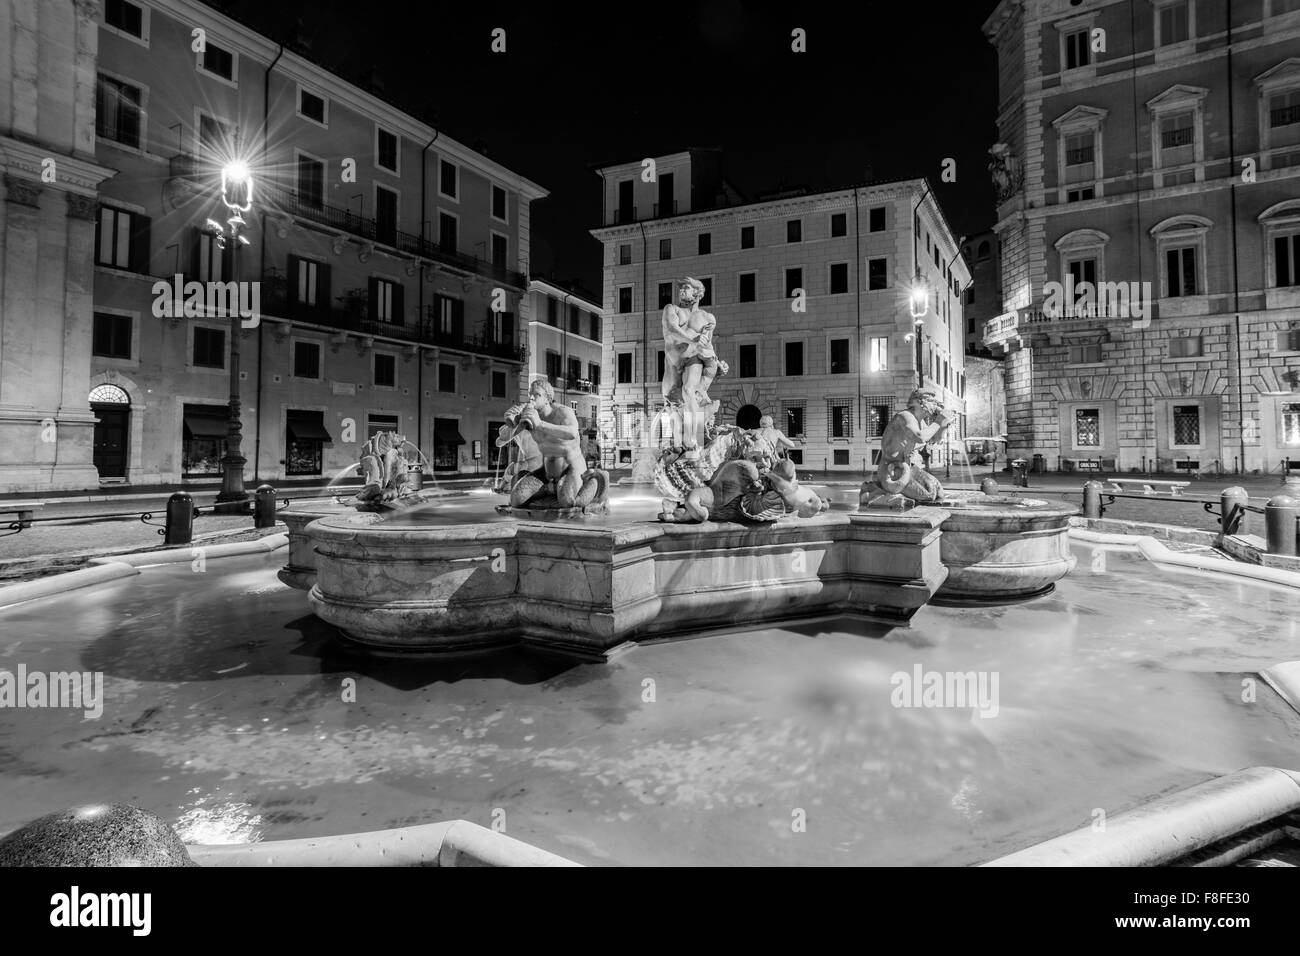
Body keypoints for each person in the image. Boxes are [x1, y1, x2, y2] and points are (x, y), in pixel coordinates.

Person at [504, 378, 600, 508]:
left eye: (537, 395)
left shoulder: (562, 412)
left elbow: (572, 433)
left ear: (547, 398)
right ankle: (549, 489)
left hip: (571, 469)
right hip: (546, 473)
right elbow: (501, 441)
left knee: (568, 502)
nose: (531, 398)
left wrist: (540, 424)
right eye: (530, 394)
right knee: (516, 500)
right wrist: (512, 423)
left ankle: (592, 481)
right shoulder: (530, 416)